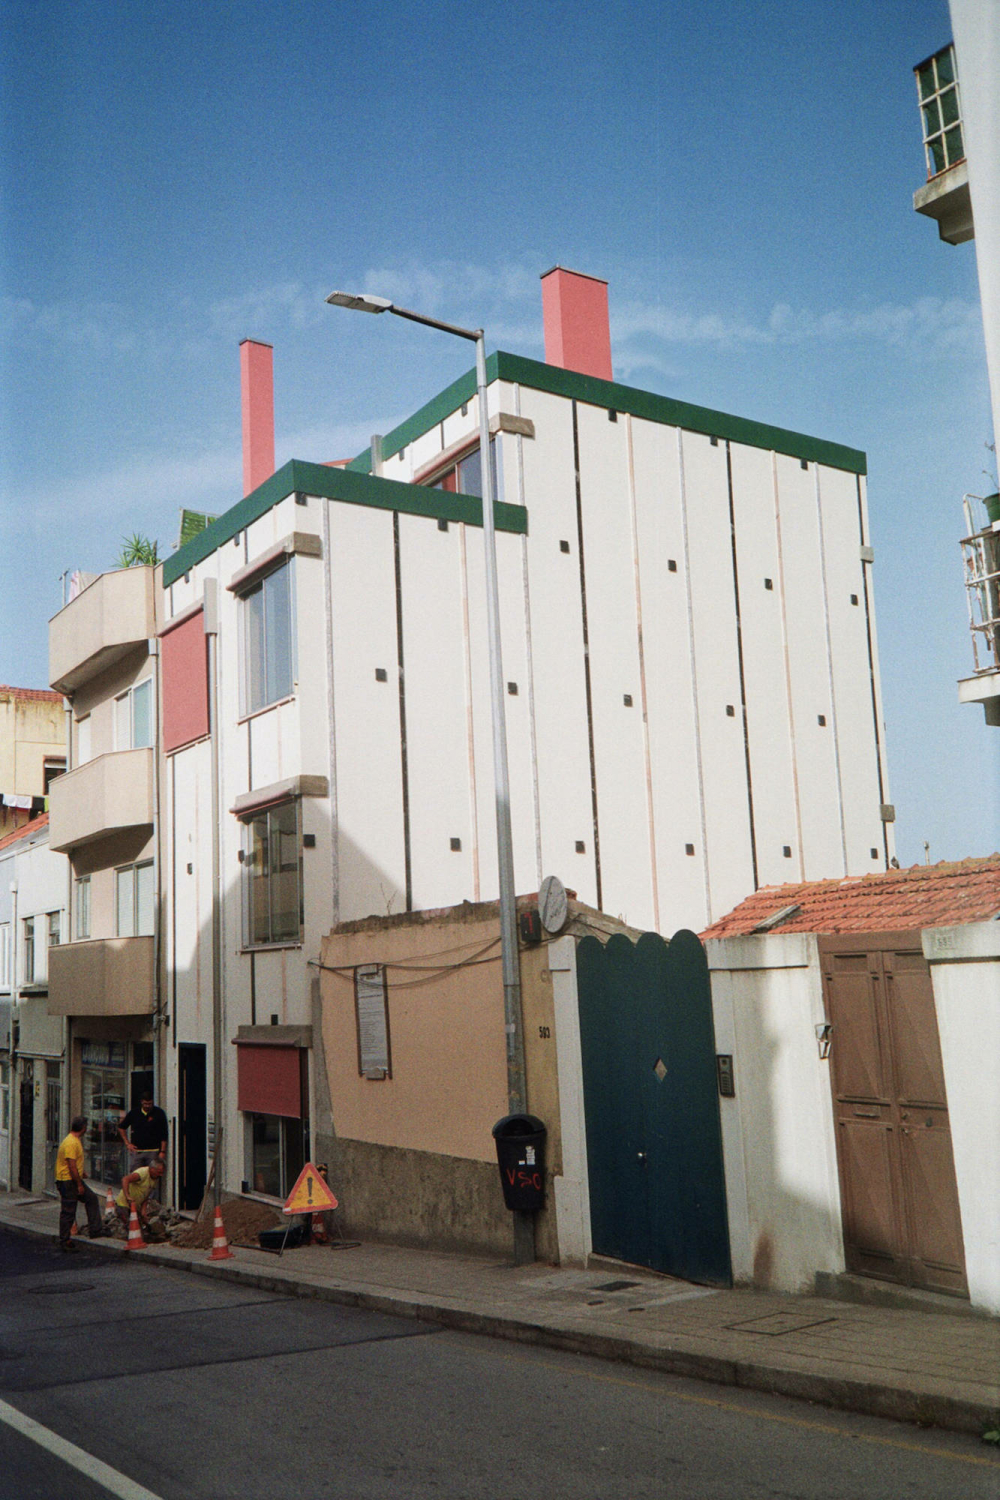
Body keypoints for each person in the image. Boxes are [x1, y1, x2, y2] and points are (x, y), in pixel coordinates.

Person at [55, 1116, 104, 1251]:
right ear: (83, 1128)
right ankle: (65, 1240)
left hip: (71, 1179)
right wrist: (79, 1184)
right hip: (68, 1181)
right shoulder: (71, 1143)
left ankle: (95, 1229)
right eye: (86, 1127)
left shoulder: (73, 1140)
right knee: (68, 1210)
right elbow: (71, 1166)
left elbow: (73, 1164)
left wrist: (82, 1173)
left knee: (91, 1198)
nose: (86, 1129)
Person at [118, 1090, 168, 1196]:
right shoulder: (134, 1113)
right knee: (135, 1176)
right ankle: (135, 1199)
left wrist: (162, 1151)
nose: (147, 1106)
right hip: (138, 1151)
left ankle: (150, 1202)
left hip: (153, 1152)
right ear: (141, 1102)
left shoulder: (159, 1113)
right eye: (145, 1104)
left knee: (152, 1177)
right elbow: (121, 1127)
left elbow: (164, 1133)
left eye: (149, 1104)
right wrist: (127, 1143)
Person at [115, 1159, 166, 1237]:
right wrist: (127, 1196)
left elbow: (146, 1196)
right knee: (130, 1227)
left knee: (139, 1228)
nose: (161, 1175)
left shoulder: (154, 1179)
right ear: (152, 1169)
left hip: (135, 1207)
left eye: (162, 1172)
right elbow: (125, 1179)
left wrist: (143, 1212)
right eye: (159, 1172)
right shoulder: (142, 1173)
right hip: (123, 1204)